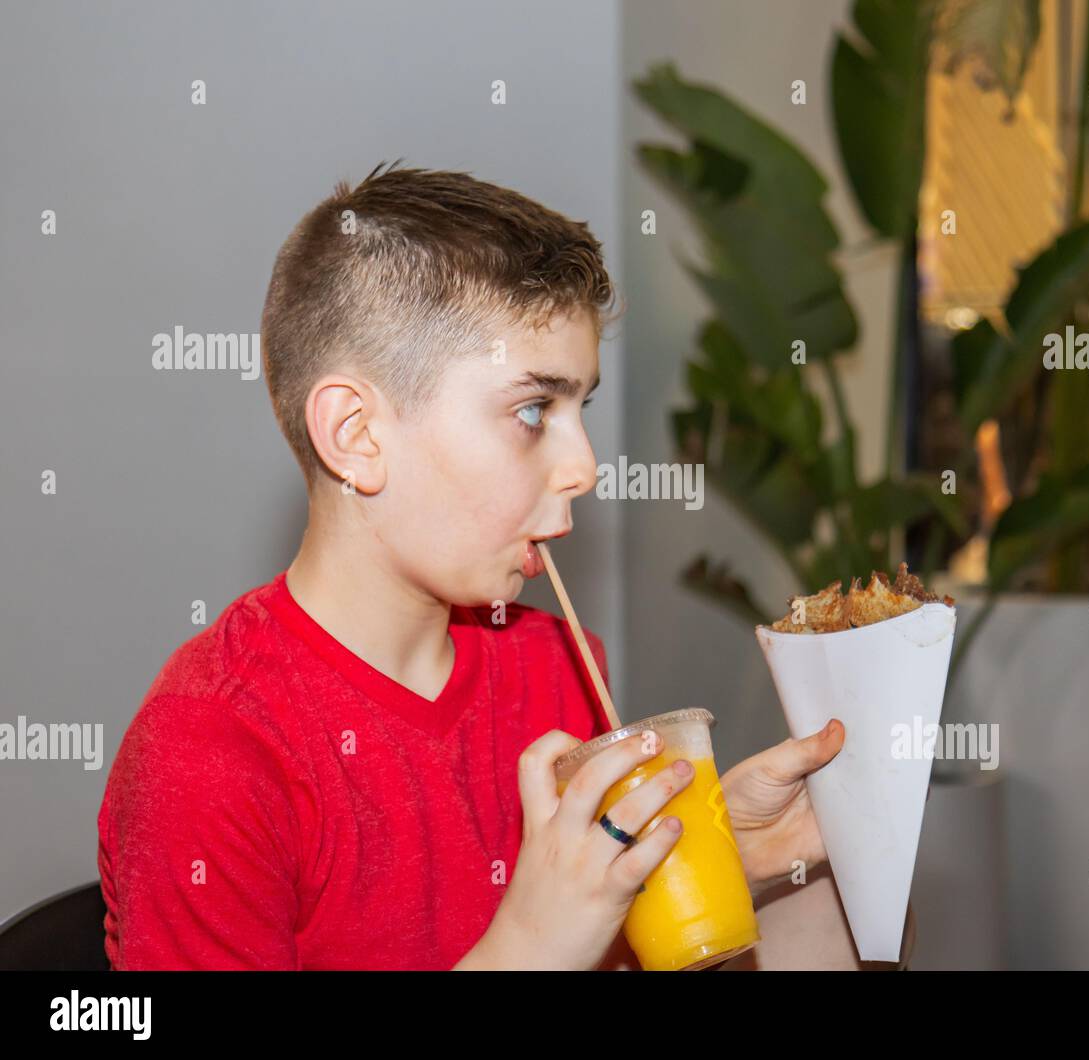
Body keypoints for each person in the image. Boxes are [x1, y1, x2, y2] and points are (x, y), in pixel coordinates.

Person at [96, 162, 873, 970]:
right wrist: (530, 946)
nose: (585, 466)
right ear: (357, 435)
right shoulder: (212, 750)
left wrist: (769, 867)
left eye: (582, 408)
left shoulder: (557, 667)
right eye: (533, 410)